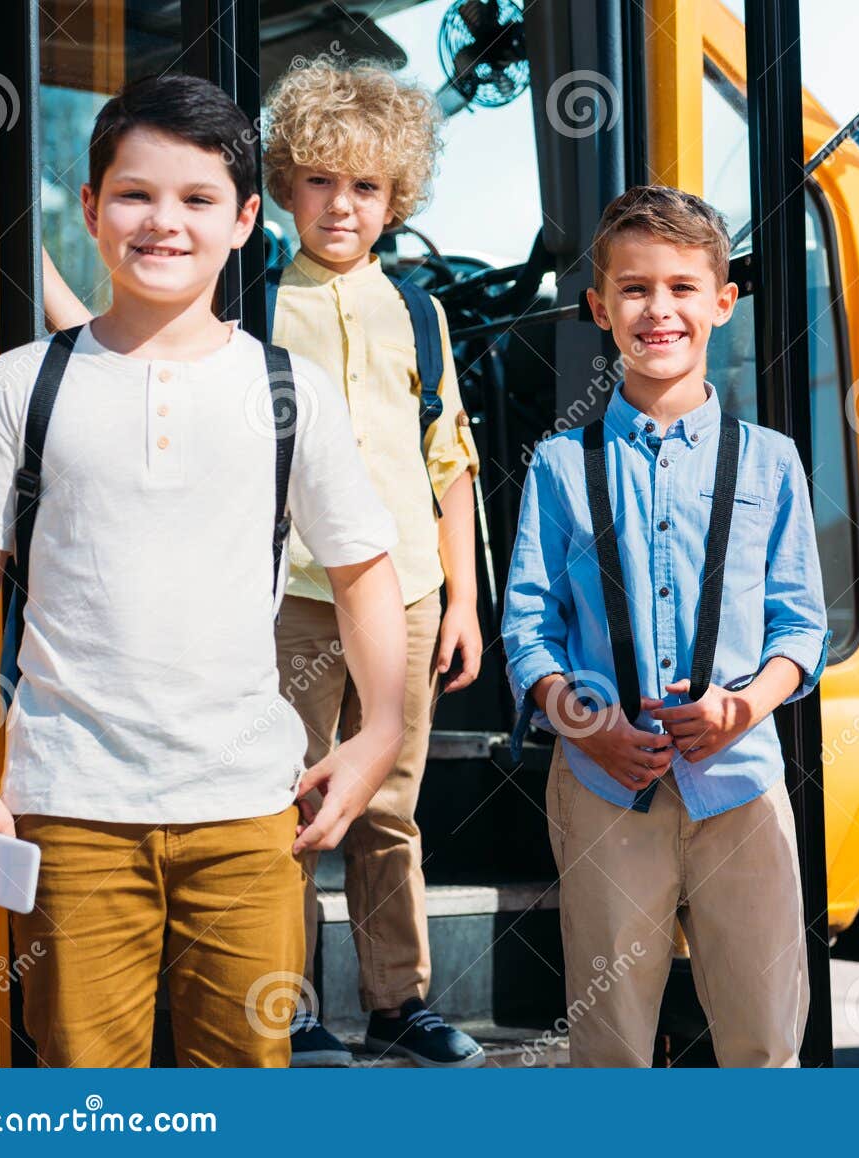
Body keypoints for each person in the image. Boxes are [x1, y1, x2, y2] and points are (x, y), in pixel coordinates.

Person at [0, 74, 407, 1068]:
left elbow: (366, 572)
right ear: (94, 210)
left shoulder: (289, 392)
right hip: (65, 813)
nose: (164, 223)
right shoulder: (18, 388)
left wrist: (377, 737)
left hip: (247, 814)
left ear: (242, 221)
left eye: (196, 201)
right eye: (136, 196)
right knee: (80, 1100)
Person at [501, 184, 829, 1067]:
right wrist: (589, 727)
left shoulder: (772, 460)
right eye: (636, 289)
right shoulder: (562, 466)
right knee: (611, 1048)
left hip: (742, 786)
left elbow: (802, 628)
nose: (660, 309)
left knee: (765, 1043)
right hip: (604, 790)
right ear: (600, 309)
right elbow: (528, 626)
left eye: (683, 287)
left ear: (722, 303)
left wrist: (745, 707)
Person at [259, 57, 485, 1069]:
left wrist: (464, 604)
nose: (340, 204)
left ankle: (400, 1005)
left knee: (389, 805)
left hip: (408, 595)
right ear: (283, 185)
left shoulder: (422, 314)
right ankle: (291, 1006)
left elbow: (450, 464)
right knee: (289, 799)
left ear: (396, 201)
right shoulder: (250, 296)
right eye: (319, 179)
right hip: (294, 595)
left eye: (364, 186)